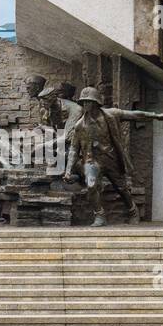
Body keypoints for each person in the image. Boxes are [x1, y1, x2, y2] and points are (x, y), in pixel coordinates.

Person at [66, 87, 151, 226]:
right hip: (91, 161)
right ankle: (99, 215)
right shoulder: (79, 126)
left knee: (121, 187)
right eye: (84, 102)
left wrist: (154, 115)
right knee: (91, 185)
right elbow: (74, 148)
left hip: (110, 158)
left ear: (96, 102)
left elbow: (134, 115)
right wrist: (69, 169)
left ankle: (132, 210)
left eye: (89, 101)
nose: (86, 105)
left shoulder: (110, 115)